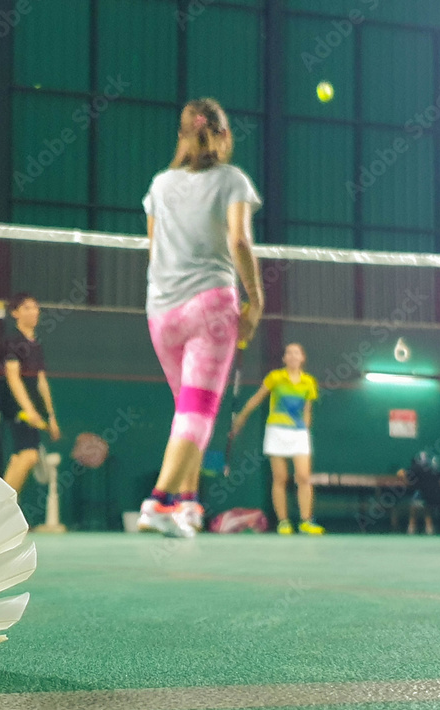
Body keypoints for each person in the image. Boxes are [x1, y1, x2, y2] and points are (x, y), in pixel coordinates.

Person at [138, 97, 265, 538]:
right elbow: (240, 243)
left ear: (182, 135)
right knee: (197, 413)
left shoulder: (159, 185)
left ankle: (186, 505)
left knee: (187, 410)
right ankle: (158, 502)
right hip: (210, 308)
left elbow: (154, 248)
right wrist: (257, 300)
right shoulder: (232, 181)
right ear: (224, 136)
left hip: (161, 312)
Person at [231, 343, 324, 535]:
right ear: (284, 359)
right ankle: (283, 522)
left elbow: (308, 408)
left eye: (296, 352)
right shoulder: (275, 378)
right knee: (280, 478)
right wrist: (241, 417)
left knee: (304, 477)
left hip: (299, 433)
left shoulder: (309, 382)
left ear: (302, 358)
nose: (292, 356)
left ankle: (306, 521)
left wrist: (305, 425)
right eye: (288, 353)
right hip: (276, 430)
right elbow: (258, 398)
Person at [0, 293, 61, 495]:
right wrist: (28, 410)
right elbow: (13, 377)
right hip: (19, 409)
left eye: (35, 307)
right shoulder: (13, 342)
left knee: (20, 457)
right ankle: (2, 506)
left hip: (34, 412)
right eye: (27, 308)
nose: (33, 311)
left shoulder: (36, 345)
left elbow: (42, 382)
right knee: (29, 456)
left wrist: (50, 416)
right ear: (15, 313)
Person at [398, 451, 440, 535]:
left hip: (425, 495)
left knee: (416, 504)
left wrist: (403, 476)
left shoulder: (416, 468)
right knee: (425, 506)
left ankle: (412, 527)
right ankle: (428, 528)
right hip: (434, 495)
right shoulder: (433, 469)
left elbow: (408, 480)